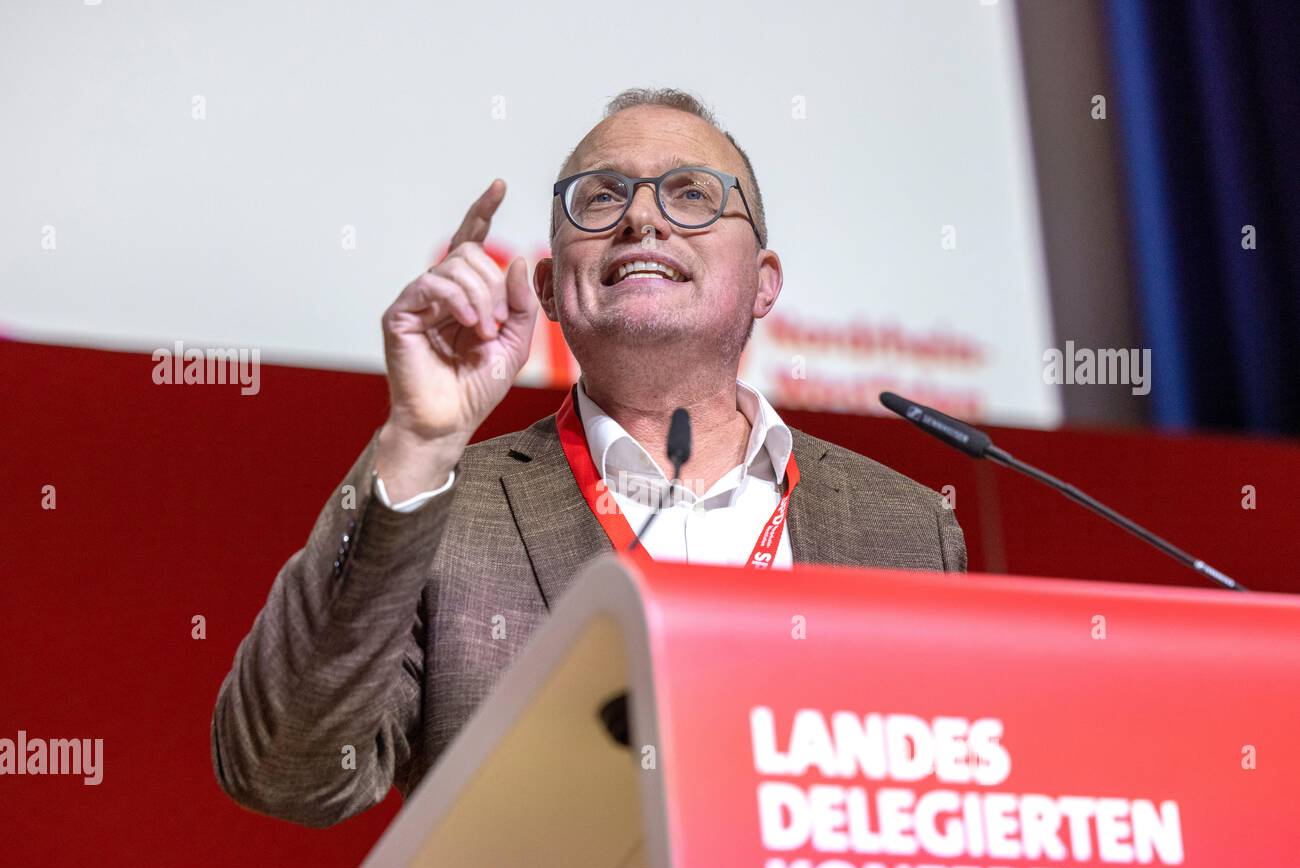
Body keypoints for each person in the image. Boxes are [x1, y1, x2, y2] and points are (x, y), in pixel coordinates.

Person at [210, 88, 967, 829]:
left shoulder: (904, 529)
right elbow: (282, 770)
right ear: (547, 287)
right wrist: (417, 441)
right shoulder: (447, 509)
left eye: (692, 193)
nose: (642, 218)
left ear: (765, 283)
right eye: (602, 199)